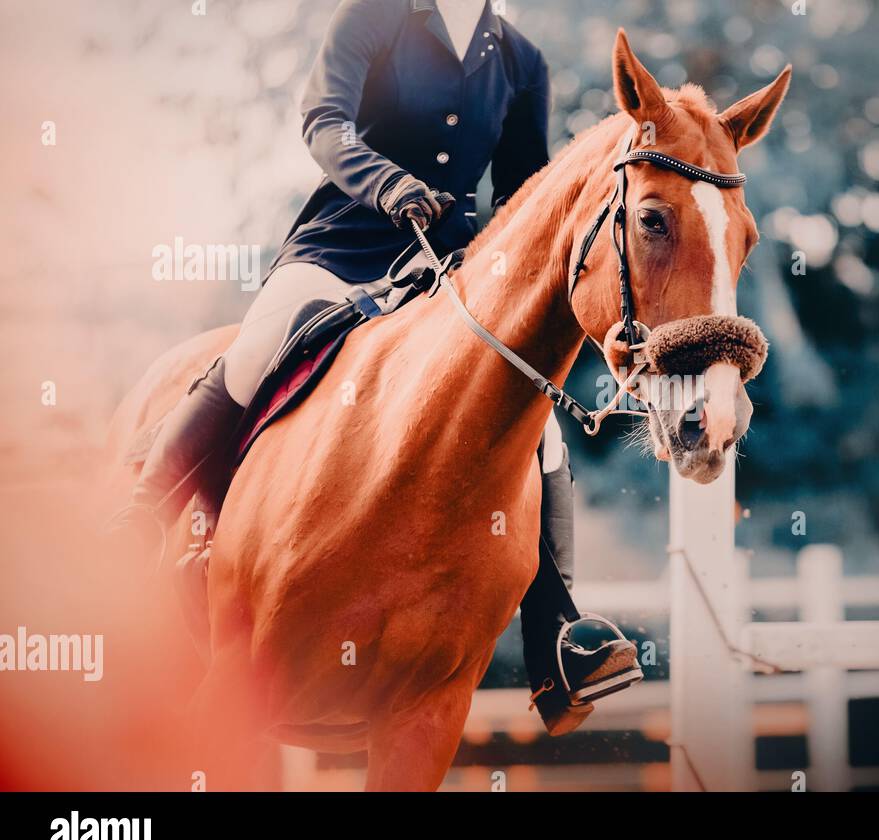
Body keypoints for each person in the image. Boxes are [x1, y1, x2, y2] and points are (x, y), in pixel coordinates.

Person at [111, 0, 640, 735]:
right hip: (342, 248)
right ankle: (143, 514)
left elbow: (527, 200)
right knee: (261, 344)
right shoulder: (374, 17)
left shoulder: (520, 62)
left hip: (446, 275)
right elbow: (323, 122)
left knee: (539, 424)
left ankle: (557, 633)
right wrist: (387, 184)